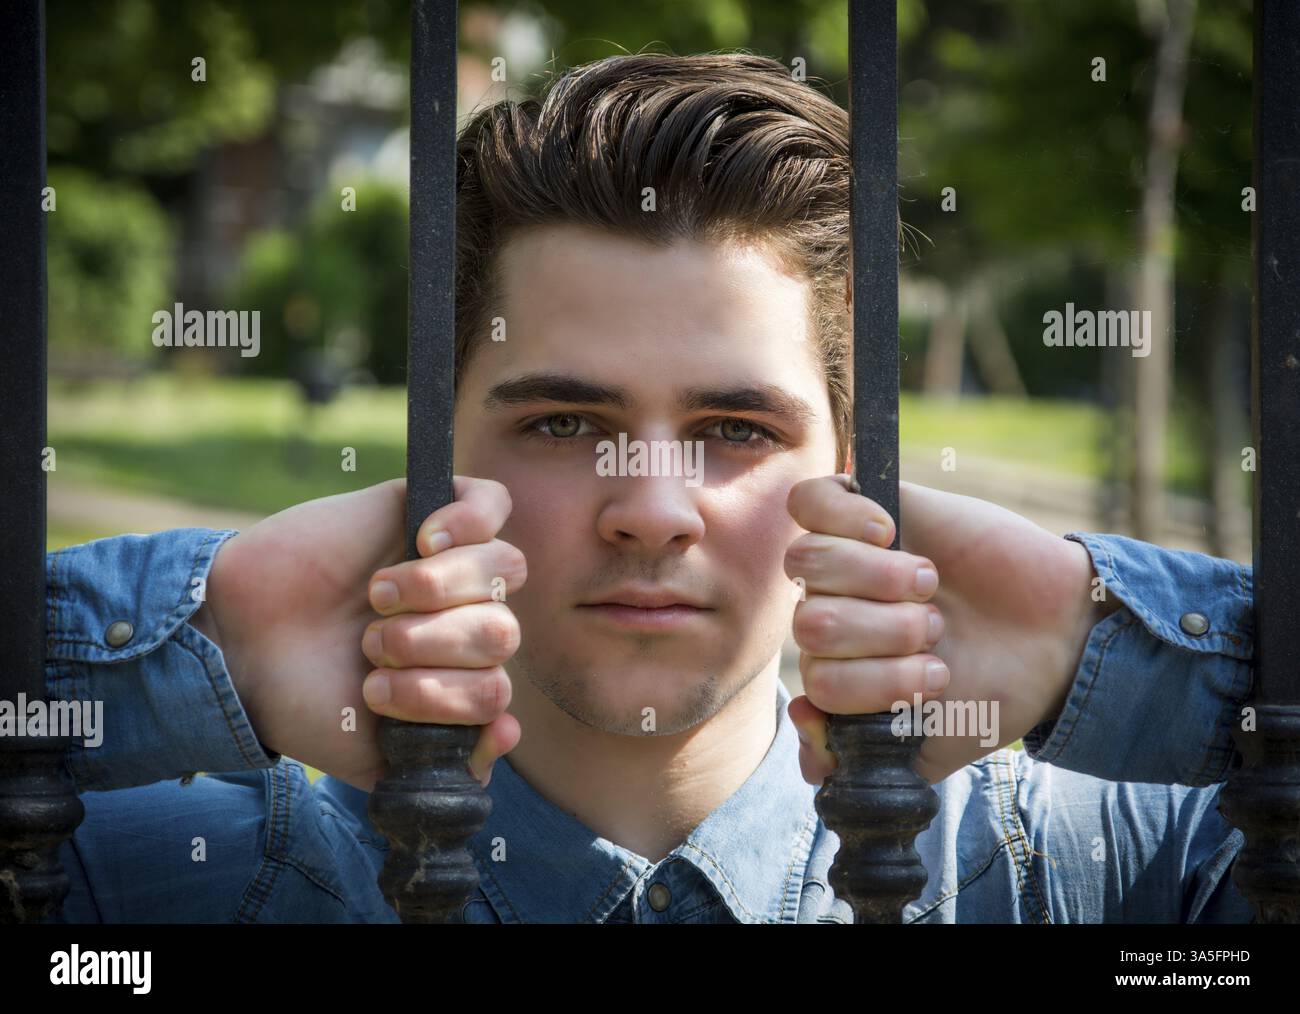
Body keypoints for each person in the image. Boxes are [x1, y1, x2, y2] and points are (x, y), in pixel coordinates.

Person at [43, 52, 1255, 923]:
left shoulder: (1098, 868)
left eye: (735, 428)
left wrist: (1117, 652)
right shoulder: (144, 878)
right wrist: (184, 656)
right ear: (436, 450)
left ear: (849, 473)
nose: (652, 508)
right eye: (566, 421)